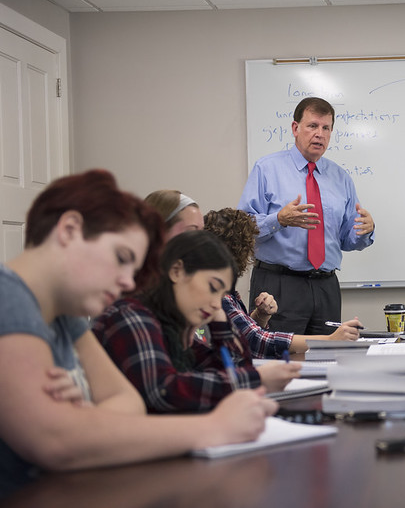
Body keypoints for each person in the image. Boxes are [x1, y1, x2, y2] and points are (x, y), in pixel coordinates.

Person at [0, 170, 275, 498]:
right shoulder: (8, 297)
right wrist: (214, 428)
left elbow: (127, 401)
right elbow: (56, 442)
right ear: (70, 230)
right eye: (121, 258)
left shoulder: (64, 314)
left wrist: (79, 419)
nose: (129, 282)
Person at [92, 230, 299, 413]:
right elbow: (163, 391)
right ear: (176, 271)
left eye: (221, 294)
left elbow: (233, 369)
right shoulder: (132, 315)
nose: (217, 303)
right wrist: (257, 379)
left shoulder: (175, 325)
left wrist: (220, 322)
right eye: (212, 286)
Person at [238, 97, 375, 335]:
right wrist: (278, 220)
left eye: (326, 128)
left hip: (325, 286)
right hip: (278, 284)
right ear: (295, 128)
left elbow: (346, 240)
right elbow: (243, 228)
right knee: (278, 359)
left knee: (325, 361)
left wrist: (366, 230)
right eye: (312, 126)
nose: (319, 134)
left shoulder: (341, 178)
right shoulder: (267, 169)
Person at [202, 208, 361, 357]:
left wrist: (260, 317)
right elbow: (256, 340)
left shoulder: (225, 292)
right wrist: (330, 341)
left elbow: (238, 332)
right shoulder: (216, 296)